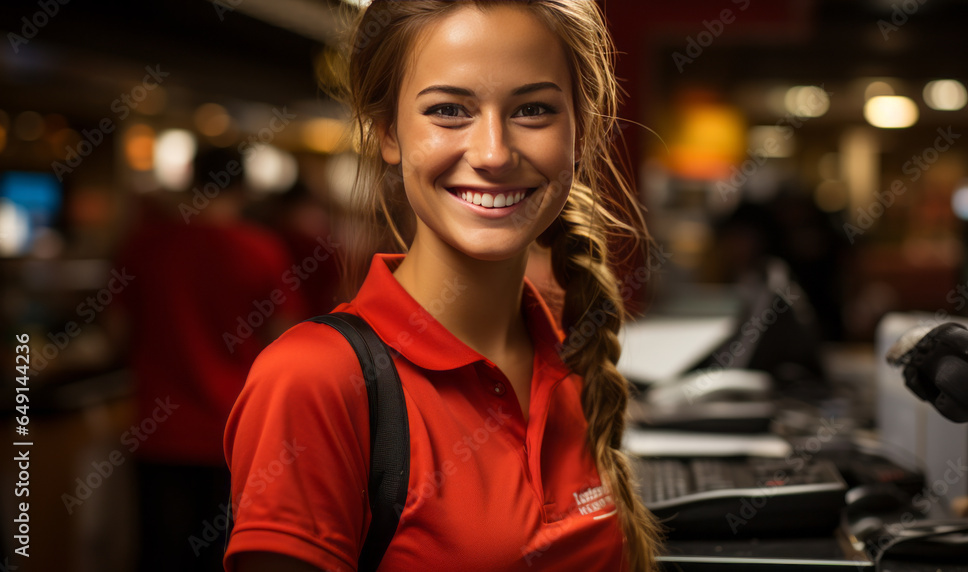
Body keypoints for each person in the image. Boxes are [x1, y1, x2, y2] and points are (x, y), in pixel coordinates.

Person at [224, 1, 662, 571]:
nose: (493, 154)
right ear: (388, 134)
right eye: (449, 110)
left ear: (581, 129)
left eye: (532, 109)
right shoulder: (314, 380)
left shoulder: (568, 356)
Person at [112, 146, 305, 571]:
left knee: (159, 554)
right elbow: (287, 342)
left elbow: (117, 334)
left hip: (158, 431)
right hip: (236, 431)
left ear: (191, 181)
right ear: (243, 189)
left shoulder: (146, 246)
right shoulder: (262, 250)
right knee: (223, 555)